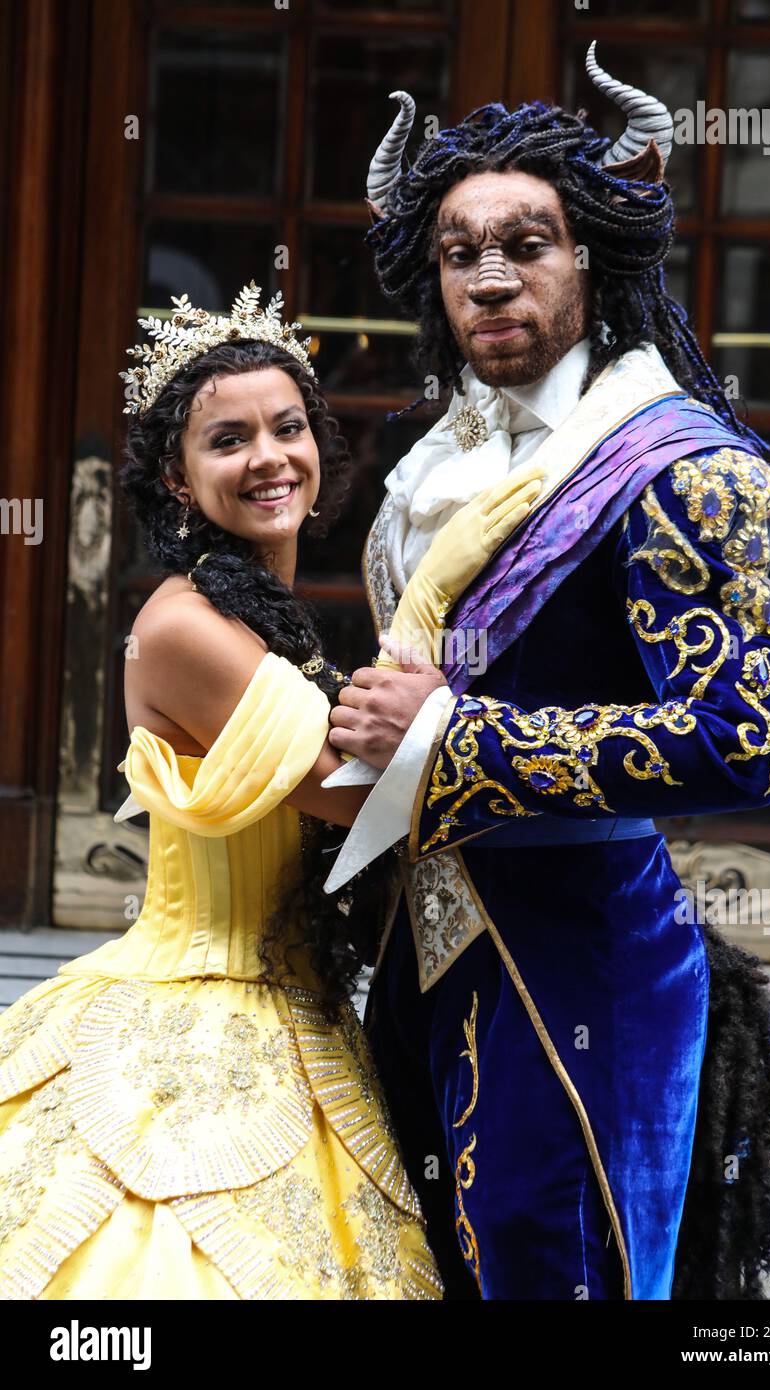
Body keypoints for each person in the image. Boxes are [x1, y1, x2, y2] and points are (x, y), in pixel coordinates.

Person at [321, 44, 770, 1301]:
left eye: (525, 244)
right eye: (458, 251)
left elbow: (745, 736)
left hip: (577, 961)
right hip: (423, 956)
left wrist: (457, 732)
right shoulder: (441, 456)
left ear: (590, 255)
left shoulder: (684, 468)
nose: (489, 277)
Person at [0, 283, 542, 1300]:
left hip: (305, 1010)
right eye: (228, 439)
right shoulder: (182, 627)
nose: (268, 458)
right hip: (203, 1016)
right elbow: (356, 802)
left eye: (288, 428)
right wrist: (436, 607)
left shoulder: (265, 616)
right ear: (175, 476)